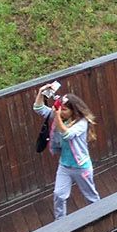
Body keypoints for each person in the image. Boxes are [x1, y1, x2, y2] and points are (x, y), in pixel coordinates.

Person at [33, 86, 101, 219]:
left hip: (81, 166)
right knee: (59, 195)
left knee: (90, 196)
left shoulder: (82, 123)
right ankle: (60, 223)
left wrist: (57, 116)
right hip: (64, 165)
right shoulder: (61, 117)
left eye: (64, 110)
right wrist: (41, 92)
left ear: (73, 111)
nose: (61, 112)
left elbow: (67, 134)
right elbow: (38, 108)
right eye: (61, 109)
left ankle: (99, 215)